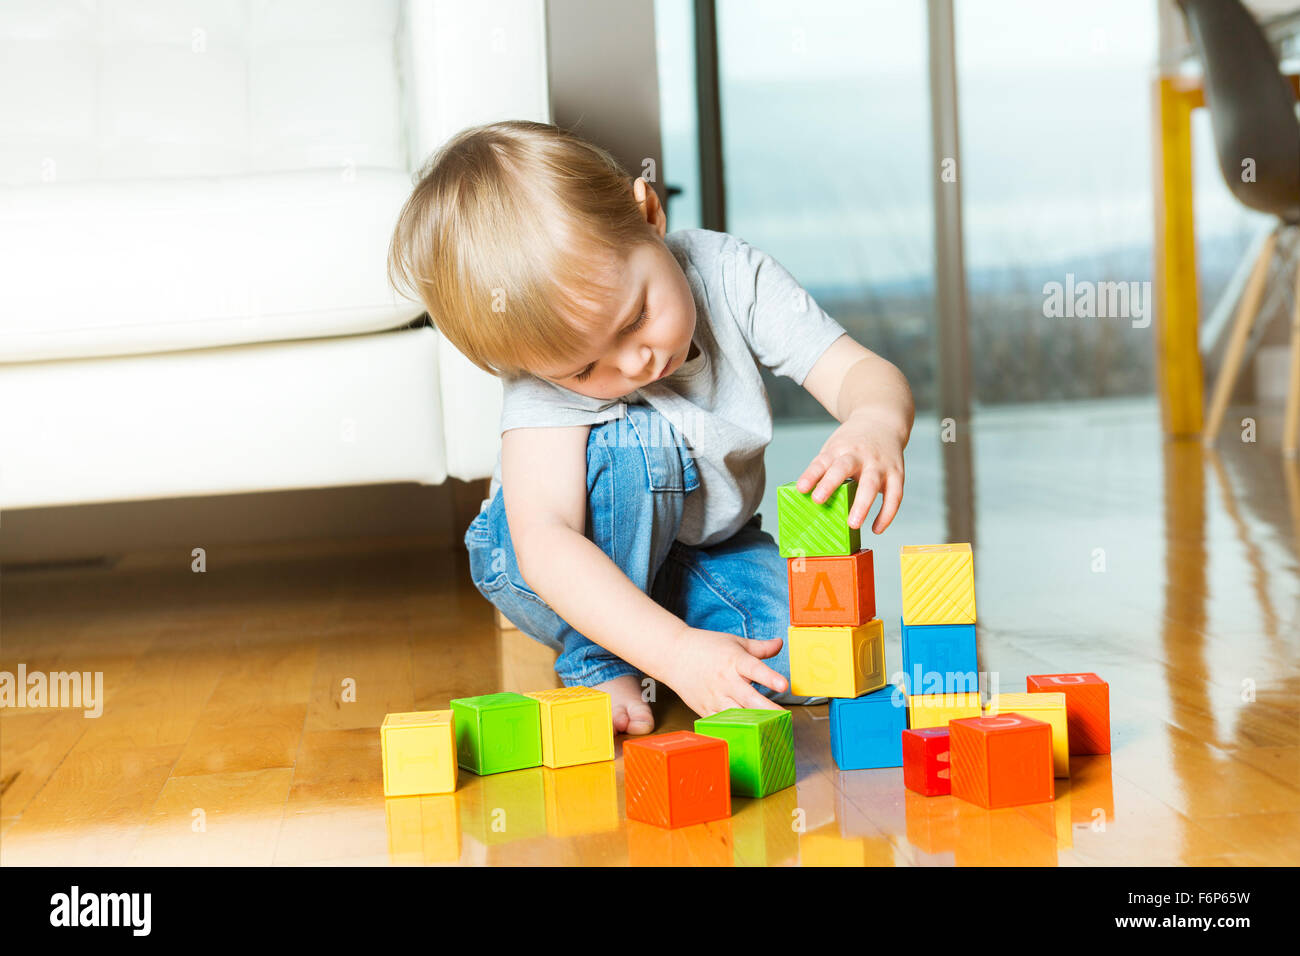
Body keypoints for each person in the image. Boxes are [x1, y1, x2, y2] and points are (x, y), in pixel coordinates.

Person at [388, 120, 914, 735]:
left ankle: (658, 631)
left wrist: (874, 420)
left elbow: (859, 372)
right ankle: (601, 654)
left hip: (706, 552)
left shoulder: (729, 275)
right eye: (586, 369)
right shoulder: (544, 383)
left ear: (648, 216)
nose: (633, 363)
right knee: (642, 440)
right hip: (548, 566)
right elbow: (548, 543)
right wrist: (675, 655)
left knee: (798, 663)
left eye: (636, 316)